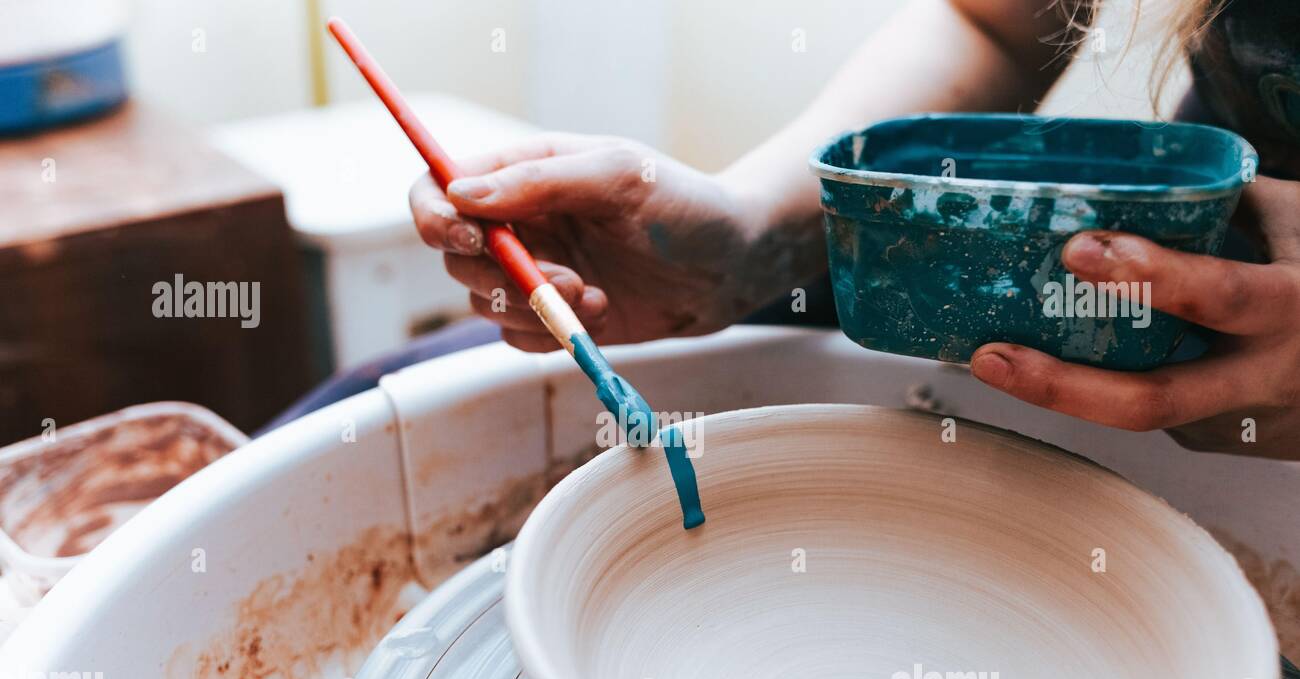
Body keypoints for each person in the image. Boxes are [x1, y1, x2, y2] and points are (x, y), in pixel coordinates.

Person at [410, 0, 1300, 459]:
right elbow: (991, 24)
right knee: (410, 385)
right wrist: (754, 235)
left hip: (1252, 362)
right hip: (1167, 287)